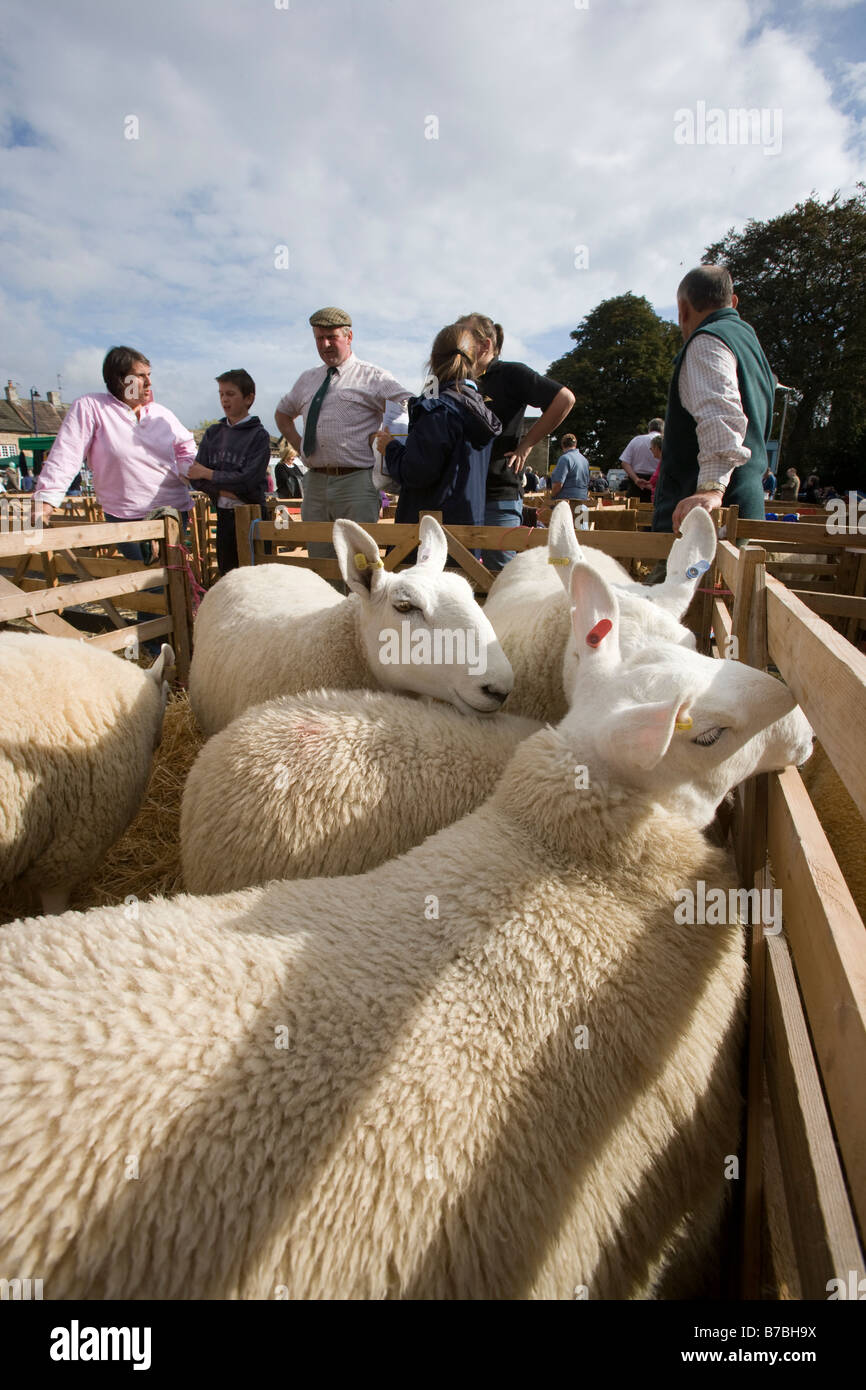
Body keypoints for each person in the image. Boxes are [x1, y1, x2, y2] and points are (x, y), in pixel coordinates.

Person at [34, 346, 195, 652]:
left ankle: (174, 646)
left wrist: (194, 472)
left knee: (171, 578)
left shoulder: (162, 414)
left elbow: (186, 450)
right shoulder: (92, 408)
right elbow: (67, 454)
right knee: (151, 581)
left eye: (150, 376)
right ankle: (155, 650)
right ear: (119, 380)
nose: (148, 384)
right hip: (129, 515)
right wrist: (46, 500)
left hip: (174, 512)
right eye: (140, 377)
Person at [274, 308, 410, 558]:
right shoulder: (307, 379)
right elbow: (282, 413)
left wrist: (383, 438)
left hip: (357, 482)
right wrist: (300, 445)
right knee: (319, 559)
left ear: (349, 337)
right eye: (318, 338)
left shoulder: (373, 377)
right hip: (314, 482)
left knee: (358, 562)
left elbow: (409, 407)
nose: (324, 344)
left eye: (331, 337)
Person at [652, 266, 776, 540]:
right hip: (740, 514)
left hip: (703, 527)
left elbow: (720, 416)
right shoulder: (750, 346)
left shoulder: (707, 341)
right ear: (733, 302)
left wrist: (710, 488)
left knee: (668, 583)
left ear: (683, 309)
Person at [455, 313, 575, 572]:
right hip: (462, 494)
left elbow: (564, 399)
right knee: (463, 576)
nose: (456, 345)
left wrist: (527, 444)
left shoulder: (509, 373)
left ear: (485, 345)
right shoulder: (457, 380)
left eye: (463, 338)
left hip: (498, 492)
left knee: (503, 577)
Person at [374, 323, 501, 527]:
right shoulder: (480, 408)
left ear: (433, 359)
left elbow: (416, 473)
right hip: (467, 527)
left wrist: (390, 448)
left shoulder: (437, 409)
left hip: (429, 532)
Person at [185, 370, 271, 576]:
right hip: (224, 515)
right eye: (221, 394)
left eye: (230, 394)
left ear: (249, 398)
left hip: (253, 517)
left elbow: (248, 481)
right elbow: (195, 478)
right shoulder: (213, 433)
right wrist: (227, 490)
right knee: (228, 574)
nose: (224, 399)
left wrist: (209, 474)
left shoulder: (258, 435)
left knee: (256, 575)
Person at [619, 418, 665, 498]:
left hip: (637, 484)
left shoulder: (637, 440)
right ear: (662, 429)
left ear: (649, 428)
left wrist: (636, 479)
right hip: (659, 483)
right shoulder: (665, 441)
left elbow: (624, 463)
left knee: (634, 508)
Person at [550, 434, 590, 502]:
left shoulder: (565, 458)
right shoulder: (585, 460)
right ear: (575, 444)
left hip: (567, 502)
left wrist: (551, 496)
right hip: (583, 500)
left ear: (562, 445)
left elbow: (558, 484)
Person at [647, 433, 663, 498]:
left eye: (652, 447)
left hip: (662, 499)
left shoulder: (664, 463)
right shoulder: (662, 462)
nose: (650, 449)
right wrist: (646, 484)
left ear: (656, 447)